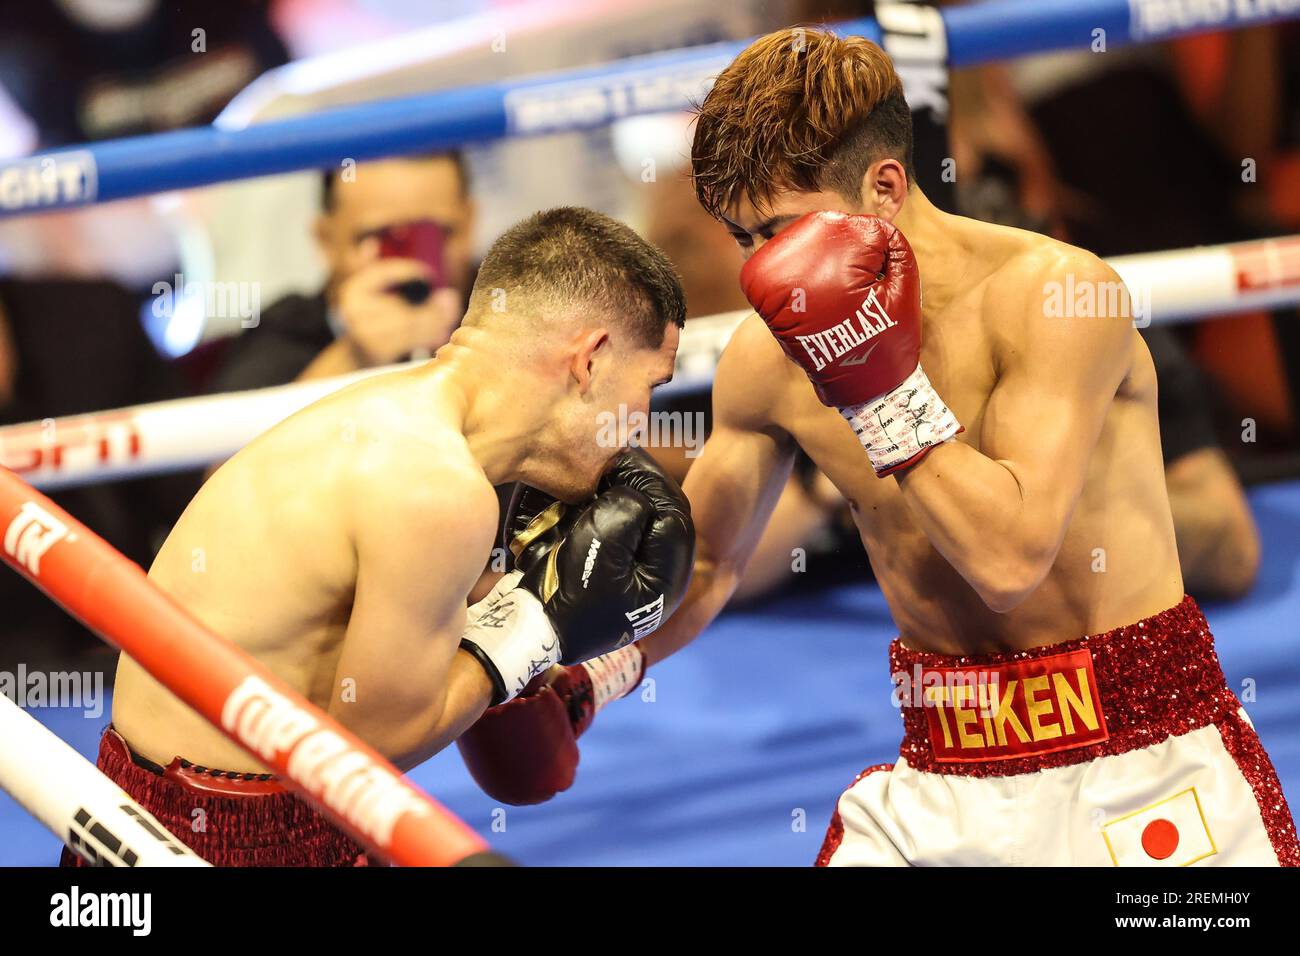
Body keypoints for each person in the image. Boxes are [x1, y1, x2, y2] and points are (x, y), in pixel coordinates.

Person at [456, 29, 1299, 867]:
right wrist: (590, 674)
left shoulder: (1055, 298)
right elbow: (706, 561)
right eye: (744, 239)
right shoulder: (768, 357)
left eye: (781, 231)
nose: (764, 273)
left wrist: (877, 385)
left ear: (886, 186)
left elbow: (1008, 565)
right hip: (945, 768)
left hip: (1144, 756)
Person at [69, 207, 694, 867]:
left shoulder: (393, 415)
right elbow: (372, 742)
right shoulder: (438, 488)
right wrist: (533, 624)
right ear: (591, 360)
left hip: (150, 801)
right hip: (238, 831)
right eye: (650, 384)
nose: (642, 421)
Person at [210, 151, 476, 392]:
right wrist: (352, 356)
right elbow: (227, 435)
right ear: (326, 241)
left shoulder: (503, 303)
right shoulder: (285, 329)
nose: (412, 267)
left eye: (435, 236)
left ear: (469, 224)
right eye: (379, 239)